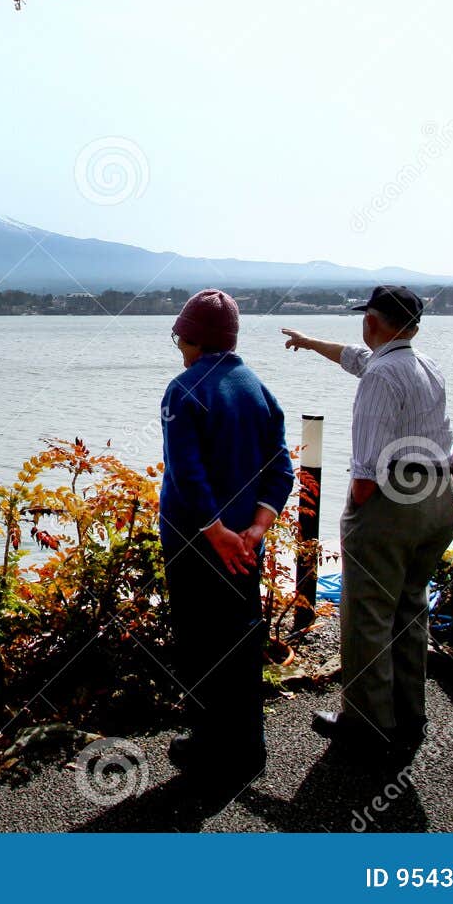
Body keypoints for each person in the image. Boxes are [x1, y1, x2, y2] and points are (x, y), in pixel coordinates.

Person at [281, 286, 453, 762]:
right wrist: (311, 342)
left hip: (392, 501)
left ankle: (367, 723)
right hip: (440, 497)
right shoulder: (424, 365)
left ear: (372, 321)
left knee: (367, 613)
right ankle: (408, 711)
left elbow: (365, 468)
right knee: (409, 606)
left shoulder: (381, 377)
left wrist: (359, 508)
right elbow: (357, 358)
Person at [160, 289, 295, 786]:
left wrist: (213, 532)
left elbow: (187, 473)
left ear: (193, 337)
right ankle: (248, 747)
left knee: (199, 642)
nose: (178, 345)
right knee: (239, 640)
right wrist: (255, 529)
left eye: (179, 336)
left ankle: (209, 749)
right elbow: (280, 468)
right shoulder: (257, 388)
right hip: (245, 544)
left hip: (198, 542)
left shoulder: (184, 390)